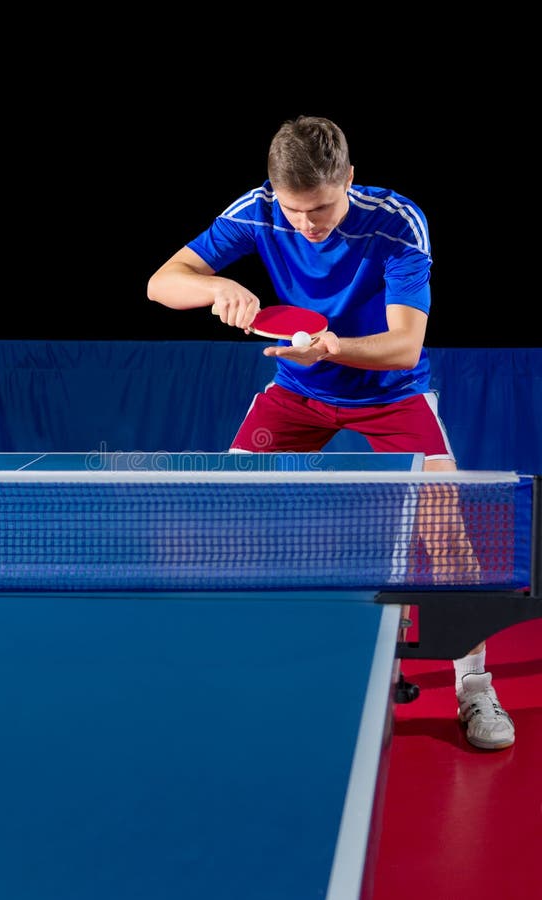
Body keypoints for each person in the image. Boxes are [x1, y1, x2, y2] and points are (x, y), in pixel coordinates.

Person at [147, 115, 514, 751]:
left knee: (444, 524)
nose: (309, 227)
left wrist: (334, 347)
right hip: (298, 394)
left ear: (348, 177)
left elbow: (404, 346)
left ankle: (474, 687)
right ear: (273, 192)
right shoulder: (257, 213)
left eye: (320, 208)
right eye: (295, 212)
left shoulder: (396, 221)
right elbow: (161, 283)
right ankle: (222, 666)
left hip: (389, 395)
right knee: (226, 505)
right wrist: (217, 286)